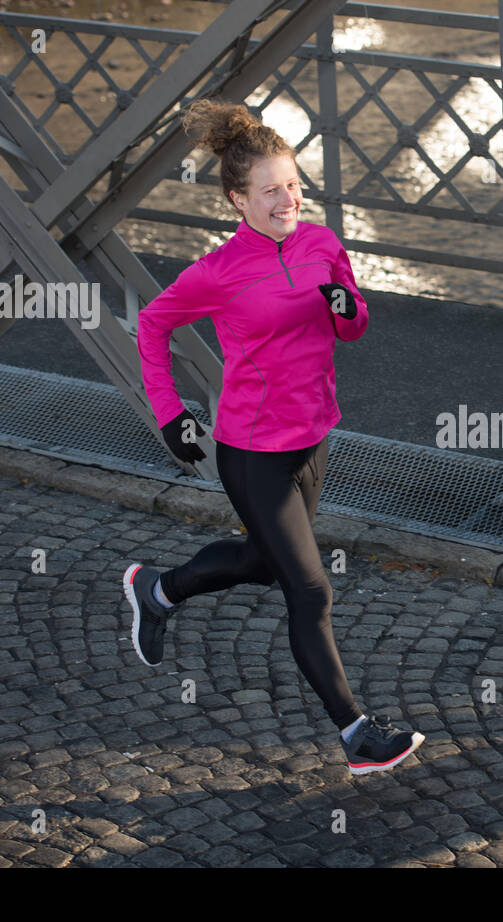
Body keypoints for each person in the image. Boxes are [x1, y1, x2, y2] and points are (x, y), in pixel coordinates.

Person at [122, 98, 423, 776]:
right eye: (270, 191)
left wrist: (350, 307)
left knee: (265, 562)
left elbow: (351, 324)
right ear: (237, 199)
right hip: (252, 451)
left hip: (313, 438)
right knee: (310, 590)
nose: (288, 199)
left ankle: (158, 590)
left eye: (293, 185)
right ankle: (357, 736)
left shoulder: (321, 244)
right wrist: (169, 412)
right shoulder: (218, 273)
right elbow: (152, 324)